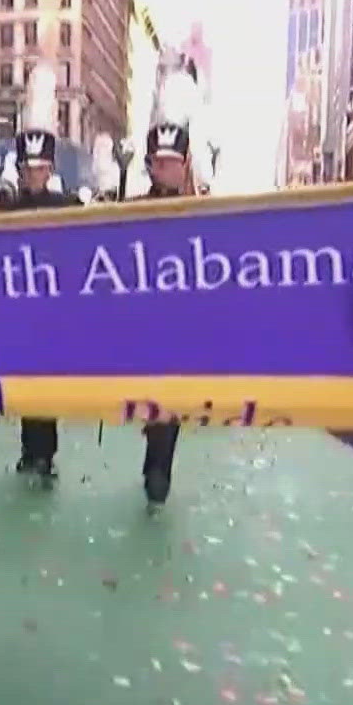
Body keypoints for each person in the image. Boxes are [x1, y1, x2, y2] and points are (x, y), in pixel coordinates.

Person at [125, 71, 206, 510]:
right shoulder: (132, 210)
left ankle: (159, 468)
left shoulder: (204, 213)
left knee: (168, 405)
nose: (164, 168)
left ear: (184, 164)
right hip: (138, 325)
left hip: (180, 328)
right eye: (158, 161)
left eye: (171, 161)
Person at [0, 66, 76, 484]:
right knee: (24, 384)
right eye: (28, 169)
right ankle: (30, 448)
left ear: (50, 169)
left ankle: (46, 452)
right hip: (18, 310)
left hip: (53, 312)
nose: (33, 175)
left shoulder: (69, 206)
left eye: (40, 169)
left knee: (46, 384)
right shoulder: (6, 210)